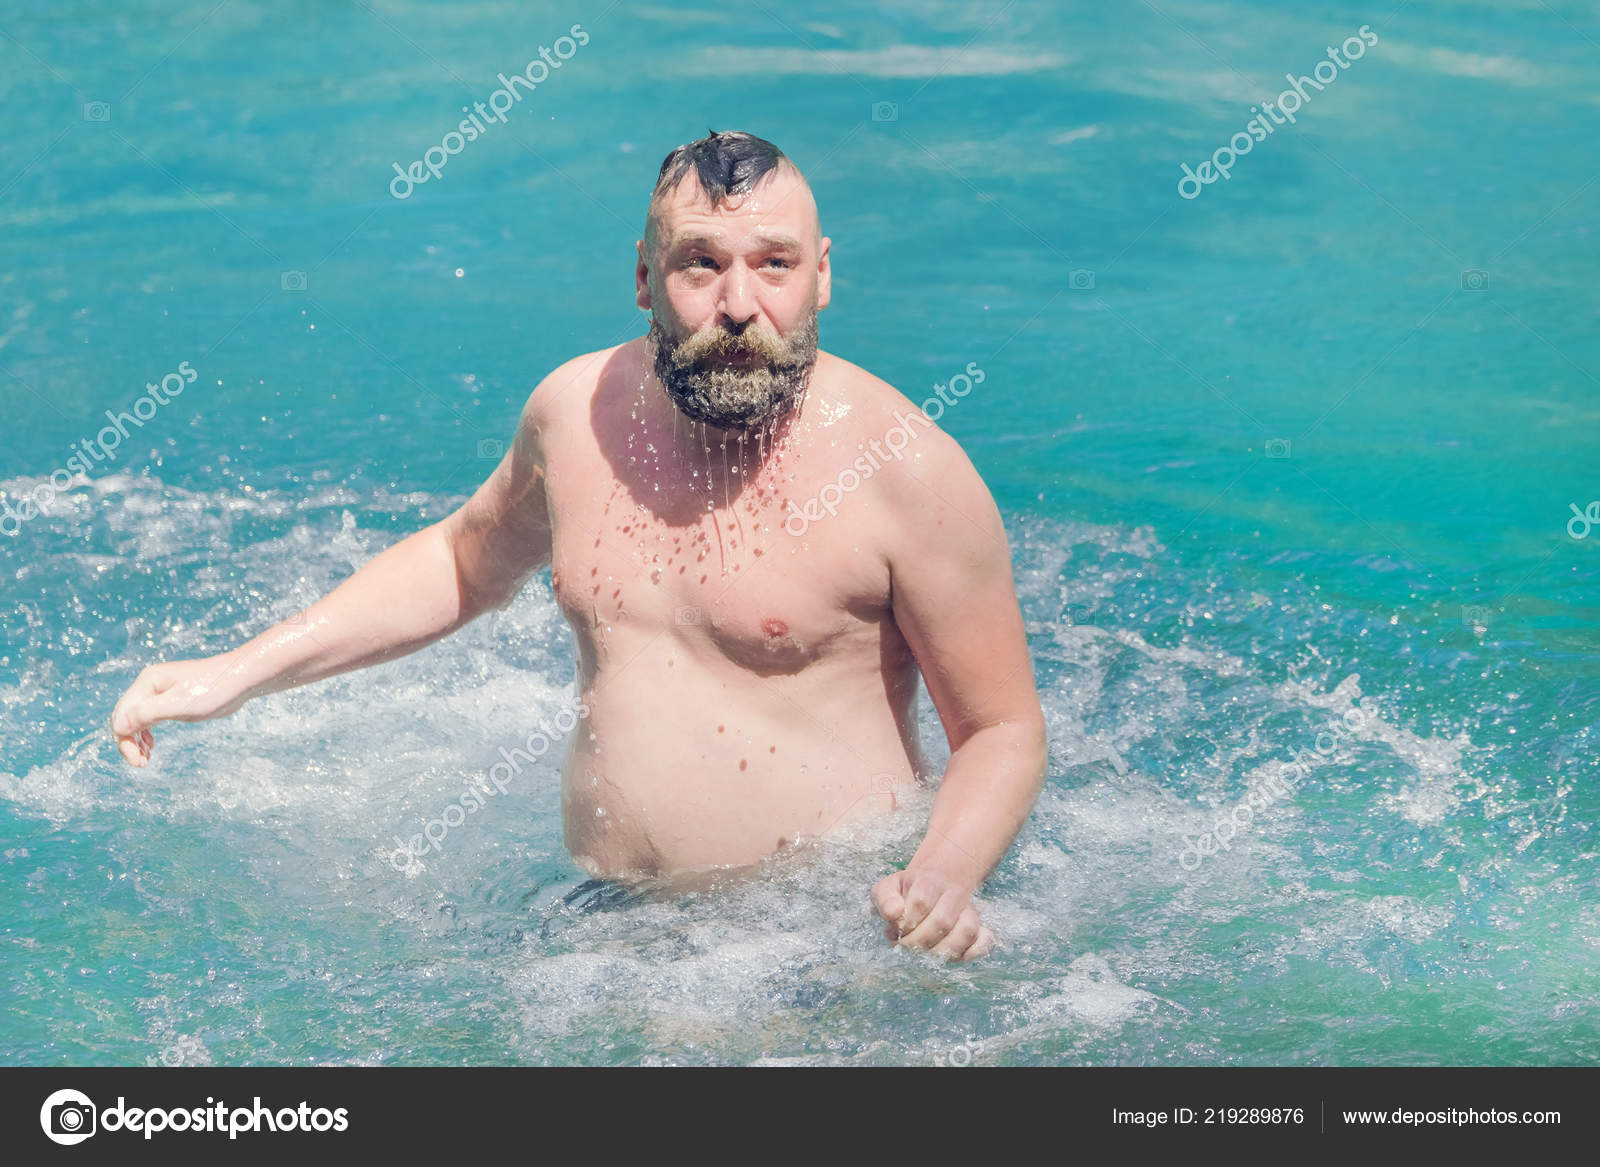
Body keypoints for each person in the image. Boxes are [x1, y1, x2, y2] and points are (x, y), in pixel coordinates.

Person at [111, 130, 1047, 962]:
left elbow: (1001, 729)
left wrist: (943, 879)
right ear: (644, 275)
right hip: (598, 927)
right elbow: (461, 564)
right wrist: (233, 673)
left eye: (774, 263)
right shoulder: (577, 416)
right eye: (699, 264)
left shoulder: (905, 470)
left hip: (820, 937)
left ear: (823, 274)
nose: (737, 303)